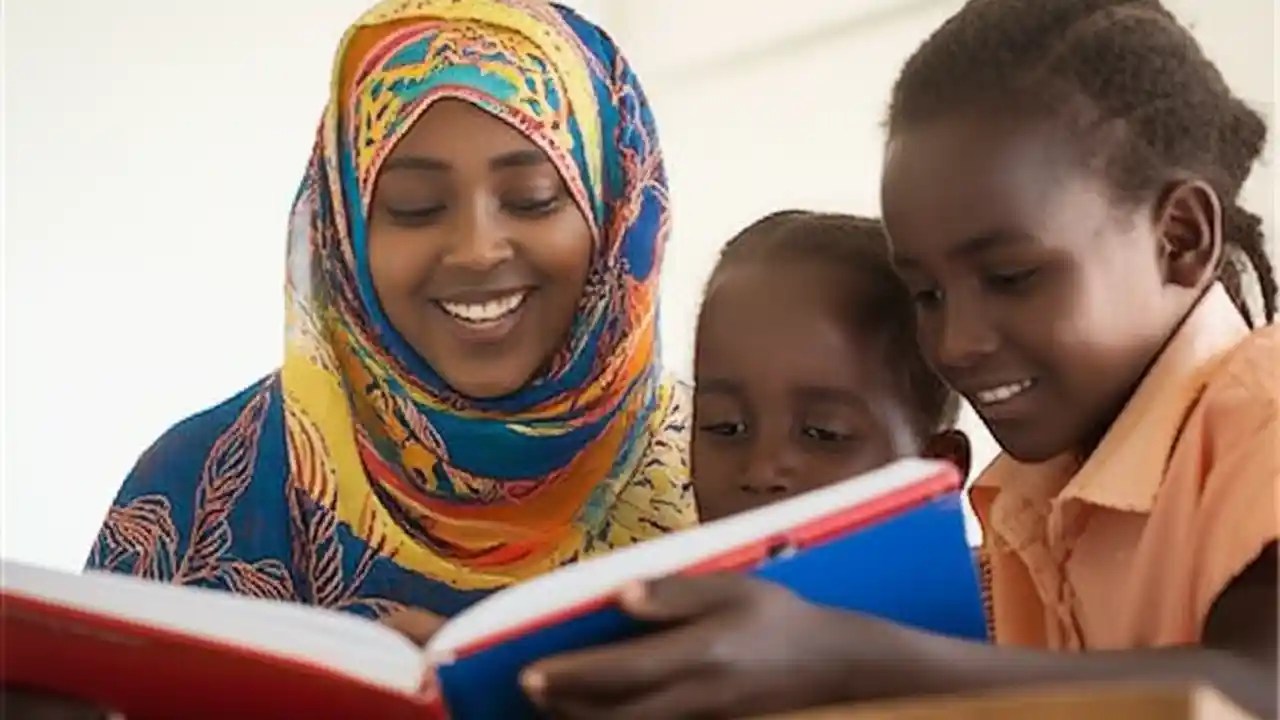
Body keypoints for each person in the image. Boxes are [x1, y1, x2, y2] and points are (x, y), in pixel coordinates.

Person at [519, 1, 1279, 718]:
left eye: (1010, 278)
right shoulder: (1025, 499)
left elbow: (1260, 684)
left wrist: (859, 661)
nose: (956, 344)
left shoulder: (1259, 411)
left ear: (1178, 238)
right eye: (927, 293)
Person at [81, 1, 693, 618]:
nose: (478, 251)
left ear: (620, 213)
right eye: (415, 205)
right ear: (341, 230)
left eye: (533, 199)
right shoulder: (196, 486)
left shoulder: (736, 472)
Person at [691, 210, 967, 521]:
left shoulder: (1012, 568)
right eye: (725, 427)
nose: (761, 471)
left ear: (940, 466)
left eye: (823, 433)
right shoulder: (648, 567)